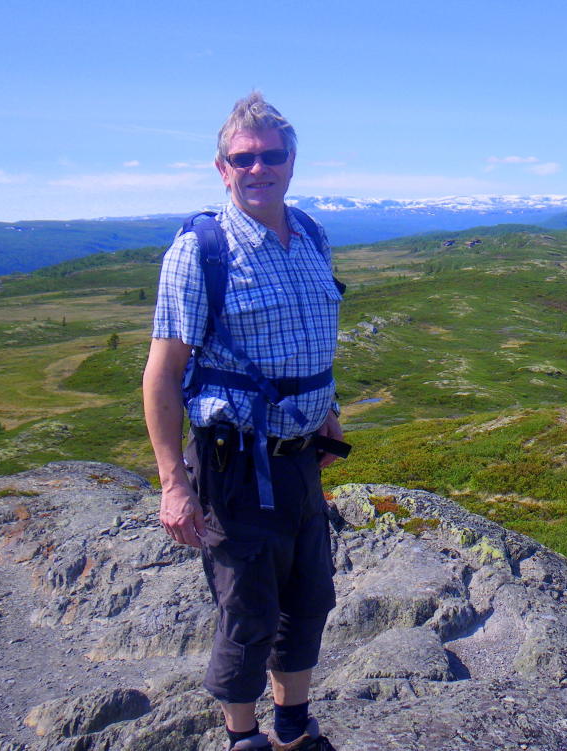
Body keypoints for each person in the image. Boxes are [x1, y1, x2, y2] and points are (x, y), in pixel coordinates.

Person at [143, 91, 342, 751]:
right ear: (221, 167)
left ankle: (292, 722)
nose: (259, 168)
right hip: (234, 467)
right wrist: (173, 482)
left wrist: (329, 415)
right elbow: (163, 374)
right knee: (247, 614)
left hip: (300, 461)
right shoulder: (201, 248)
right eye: (243, 158)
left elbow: (312, 344)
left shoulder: (311, 234)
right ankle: (243, 736)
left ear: (292, 160)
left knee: (309, 599)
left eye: (271, 155)